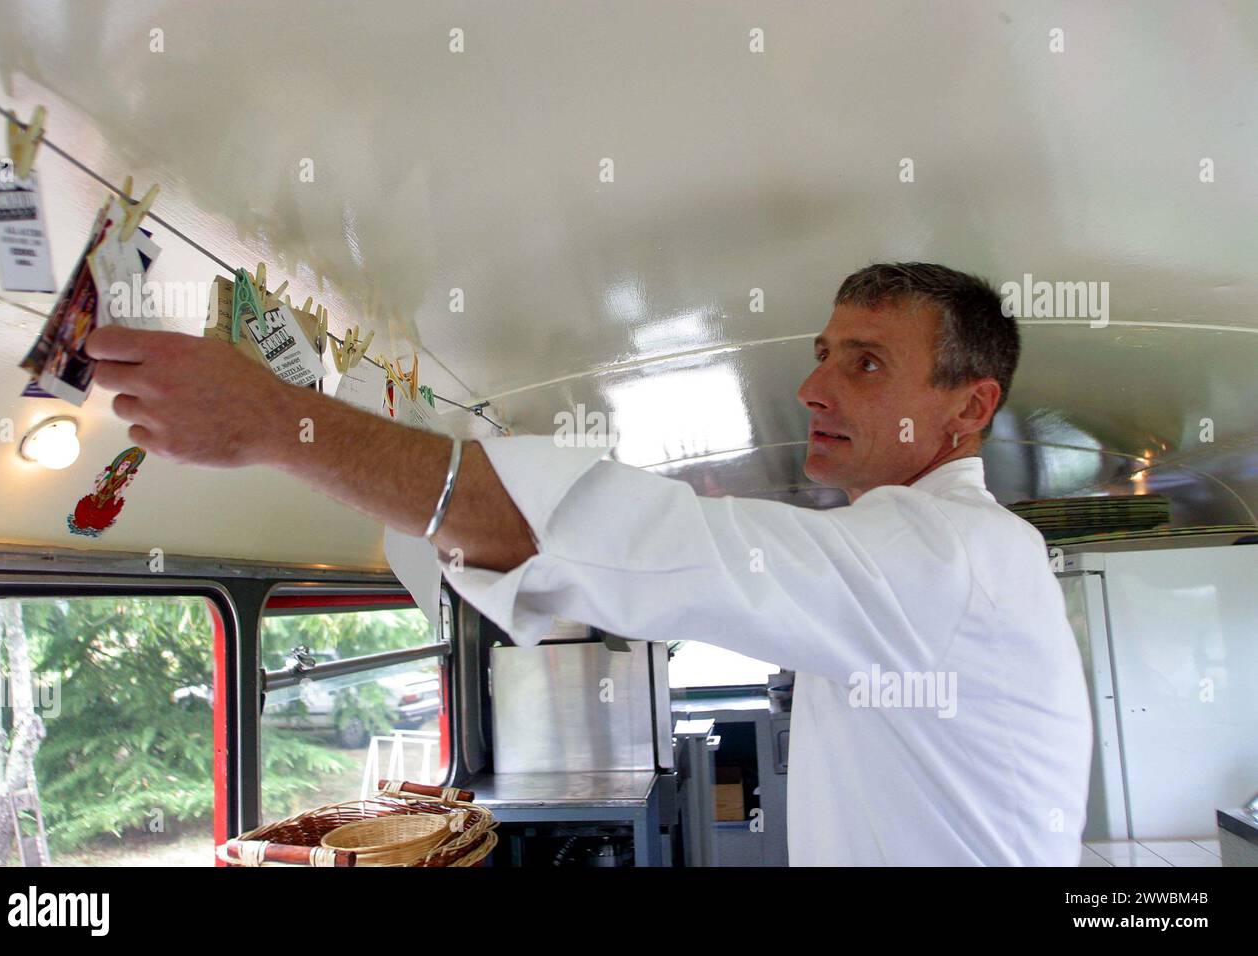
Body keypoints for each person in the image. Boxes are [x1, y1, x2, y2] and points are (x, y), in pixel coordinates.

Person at [85, 261, 1093, 865]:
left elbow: (616, 540)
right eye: (823, 352)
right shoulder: (919, 549)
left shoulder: (948, 553)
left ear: (970, 407)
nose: (811, 385)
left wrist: (274, 420)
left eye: (863, 363)